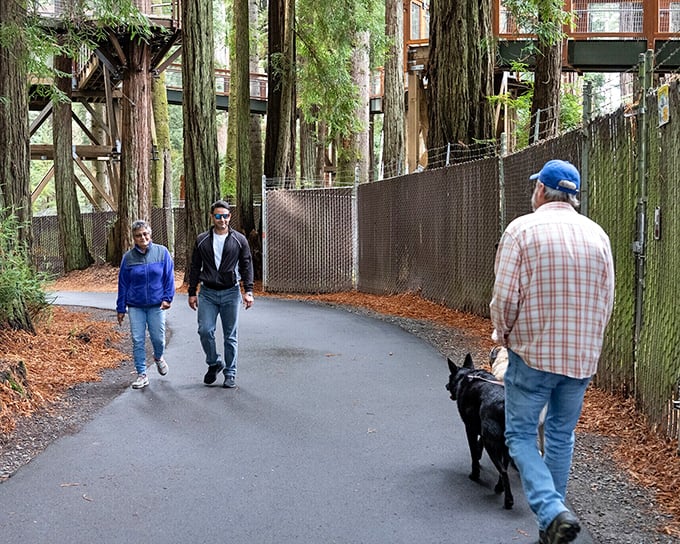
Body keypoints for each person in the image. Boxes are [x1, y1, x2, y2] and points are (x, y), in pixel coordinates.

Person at [489, 160, 615, 544]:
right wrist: (590, 343)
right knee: (561, 435)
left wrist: (503, 335)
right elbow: (607, 300)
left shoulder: (522, 230)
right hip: (580, 359)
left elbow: (505, 298)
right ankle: (551, 530)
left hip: (533, 356)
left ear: (540, 191)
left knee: (521, 436)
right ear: (573, 196)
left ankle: (552, 510)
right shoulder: (598, 236)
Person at [188, 200, 254, 388]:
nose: (222, 219)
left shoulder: (239, 240)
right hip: (207, 293)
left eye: (225, 216)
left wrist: (248, 291)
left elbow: (247, 265)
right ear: (212, 217)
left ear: (230, 217)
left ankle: (230, 373)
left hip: (231, 292)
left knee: (230, 335)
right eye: (218, 216)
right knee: (205, 330)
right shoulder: (202, 240)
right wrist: (192, 292)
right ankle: (214, 362)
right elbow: (194, 267)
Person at [116, 220, 175, 389]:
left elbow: (168, 278)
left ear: (150, 234)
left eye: (145, 234)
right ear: (133, 238)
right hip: (136, 305)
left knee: (158, 338)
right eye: (138, 235)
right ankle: (142, 373)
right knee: (137, 339)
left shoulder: (162, 252)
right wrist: (121, 308)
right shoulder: (128, 258)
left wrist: (167, 298)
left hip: (157, 305)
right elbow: (123, 284)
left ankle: (158, 357)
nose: (142, 237)